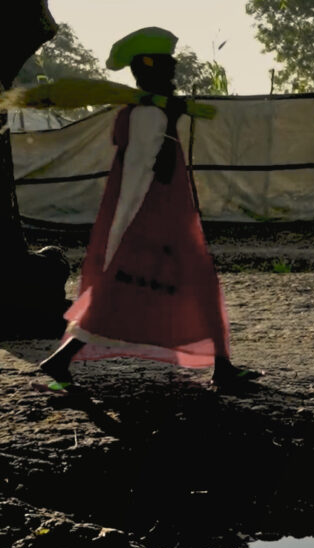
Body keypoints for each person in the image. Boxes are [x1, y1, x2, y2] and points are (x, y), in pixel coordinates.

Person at [34, 27, 260, 394]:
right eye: (168, 67)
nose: (174, 74)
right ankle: (61, 359)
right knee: (116, 296)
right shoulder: (146, 116)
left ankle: (222, 366)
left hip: (168, 223)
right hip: (150, 226)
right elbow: (136, 177)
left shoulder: (155, 113)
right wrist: (122, 235)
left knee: (194, 289)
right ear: (150, 67)